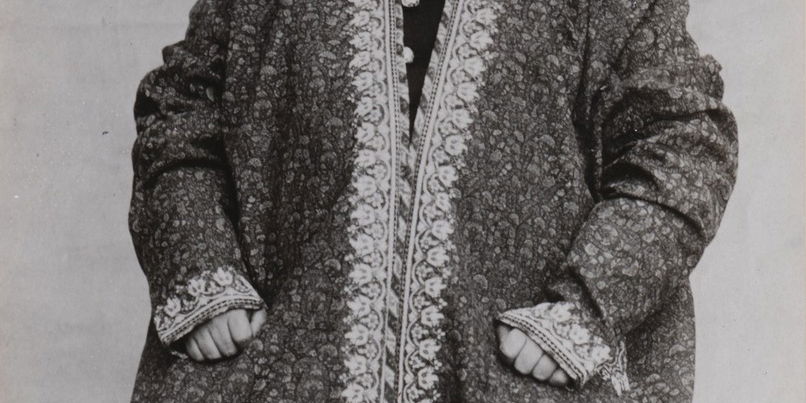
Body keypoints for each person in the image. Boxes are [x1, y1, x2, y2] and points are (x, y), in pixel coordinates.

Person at [127, 0, 738, 401]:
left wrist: (584, 307)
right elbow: (180, 115)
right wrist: (202, 275)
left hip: (511, 379)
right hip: (281, 371)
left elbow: (683, 141)